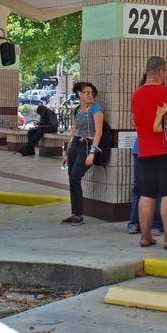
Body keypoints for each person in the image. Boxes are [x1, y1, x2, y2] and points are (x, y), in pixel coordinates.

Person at [131, 55, 167, 250]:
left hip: (145, 149)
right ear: (160, 71)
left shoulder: (136, 94)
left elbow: (136, 121)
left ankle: (145, 236)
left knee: (147, 193)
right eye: (165, 71)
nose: (166, 75)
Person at [61, 82, 104, 226]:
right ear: (79, 93)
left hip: (88, 145)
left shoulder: (96, 110)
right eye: (87, 92)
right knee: (72, 180)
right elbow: (73, 131)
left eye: (91, 93)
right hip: (75, 145)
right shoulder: (76, 110)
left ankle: (79, 215)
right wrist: (66, 152)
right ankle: (75, 213)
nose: (90, 95)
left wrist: (92, 153)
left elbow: (99, 132)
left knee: (75, 177)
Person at [126, 136, 163, 235]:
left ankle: (156, 224)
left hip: (159, 150)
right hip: (141, 149)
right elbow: (134, 123)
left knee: (157, 188)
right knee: (139, 187)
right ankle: (135, 222)